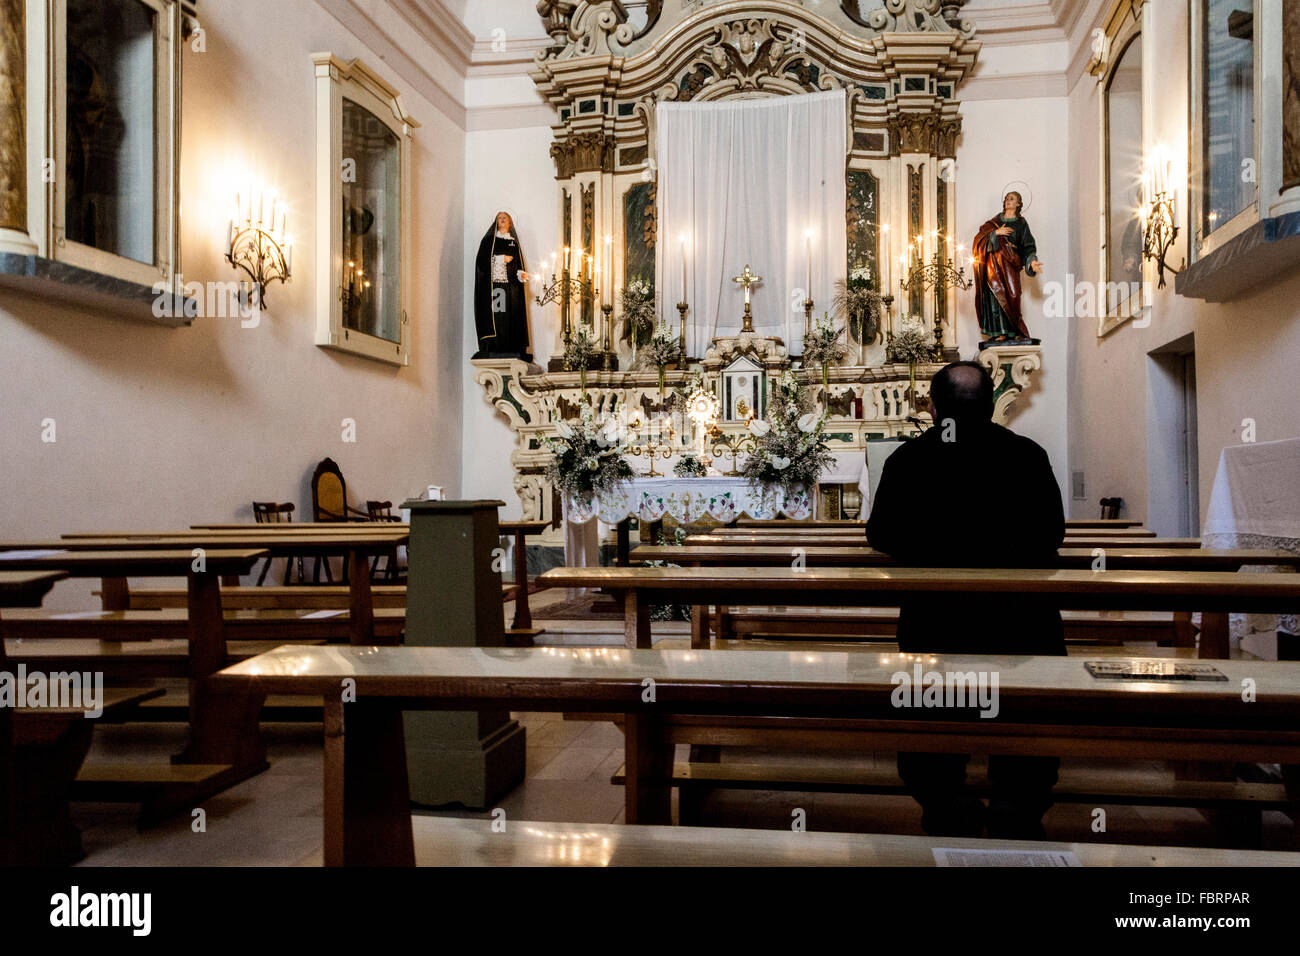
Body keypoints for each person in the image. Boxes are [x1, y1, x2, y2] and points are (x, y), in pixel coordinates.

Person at [866, 361, 1065, 839]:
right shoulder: (1027, 455)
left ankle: (944, 805)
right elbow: (1051, 534)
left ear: (933, 408)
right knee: (1024, 716)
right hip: (1022, 623)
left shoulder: (909, 460)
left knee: (930, 716)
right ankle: (1017, 811)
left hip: (936, 622)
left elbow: (881, 534)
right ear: (990, 405)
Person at [972, 191, 1044, 342]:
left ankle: (1014, 330)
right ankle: (1000, 332)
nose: (1007, 201)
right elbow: (978, 241)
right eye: (1006, 198)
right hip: (993, 266)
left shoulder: (1021, 224)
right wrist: (995, 234)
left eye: (1012, 199)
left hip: (1011, 265)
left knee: (1013, 295)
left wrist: (1032, 262)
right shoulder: (993, 223)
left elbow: (1028, 246)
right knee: (995, 297)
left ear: (1018, 204)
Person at [473, 211, 533, 361]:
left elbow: (517, 264)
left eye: (505, 217)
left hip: (511, 287)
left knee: (511, 314)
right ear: (496, 222)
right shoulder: (489, 241)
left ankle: (510, 345)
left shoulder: (513, 242)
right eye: (499, 218)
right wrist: (501, 259)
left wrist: (521, 274)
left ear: (510, 223)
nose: (502, 219)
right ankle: (497, 345)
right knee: (499, 313)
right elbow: (482, 262)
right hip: (497, 286)